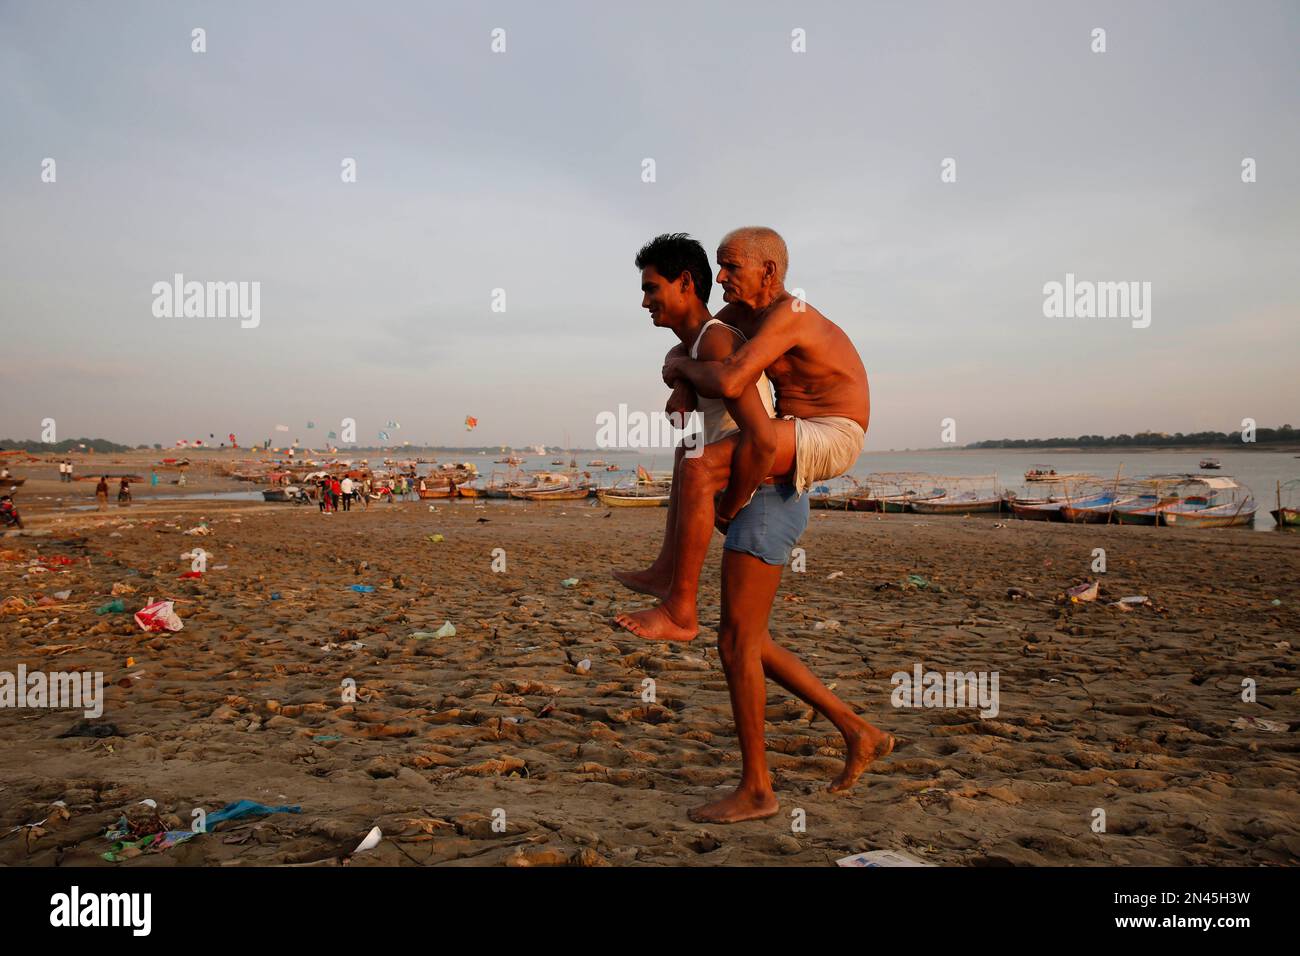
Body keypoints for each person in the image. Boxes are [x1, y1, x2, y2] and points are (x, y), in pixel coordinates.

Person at [614, 227, 870, 643]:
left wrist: (729, 506)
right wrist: (682, 380)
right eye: (718, 267)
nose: (719, 278)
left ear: (768, 271)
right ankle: (666, 570)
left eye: (731, 267)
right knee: (688, 448)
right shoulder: (739, 317)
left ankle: (681, 611)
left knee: (700, 464)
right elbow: (691, 343)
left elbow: (731, 380)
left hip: (834, 431)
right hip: (789, 427)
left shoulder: (790, 315)